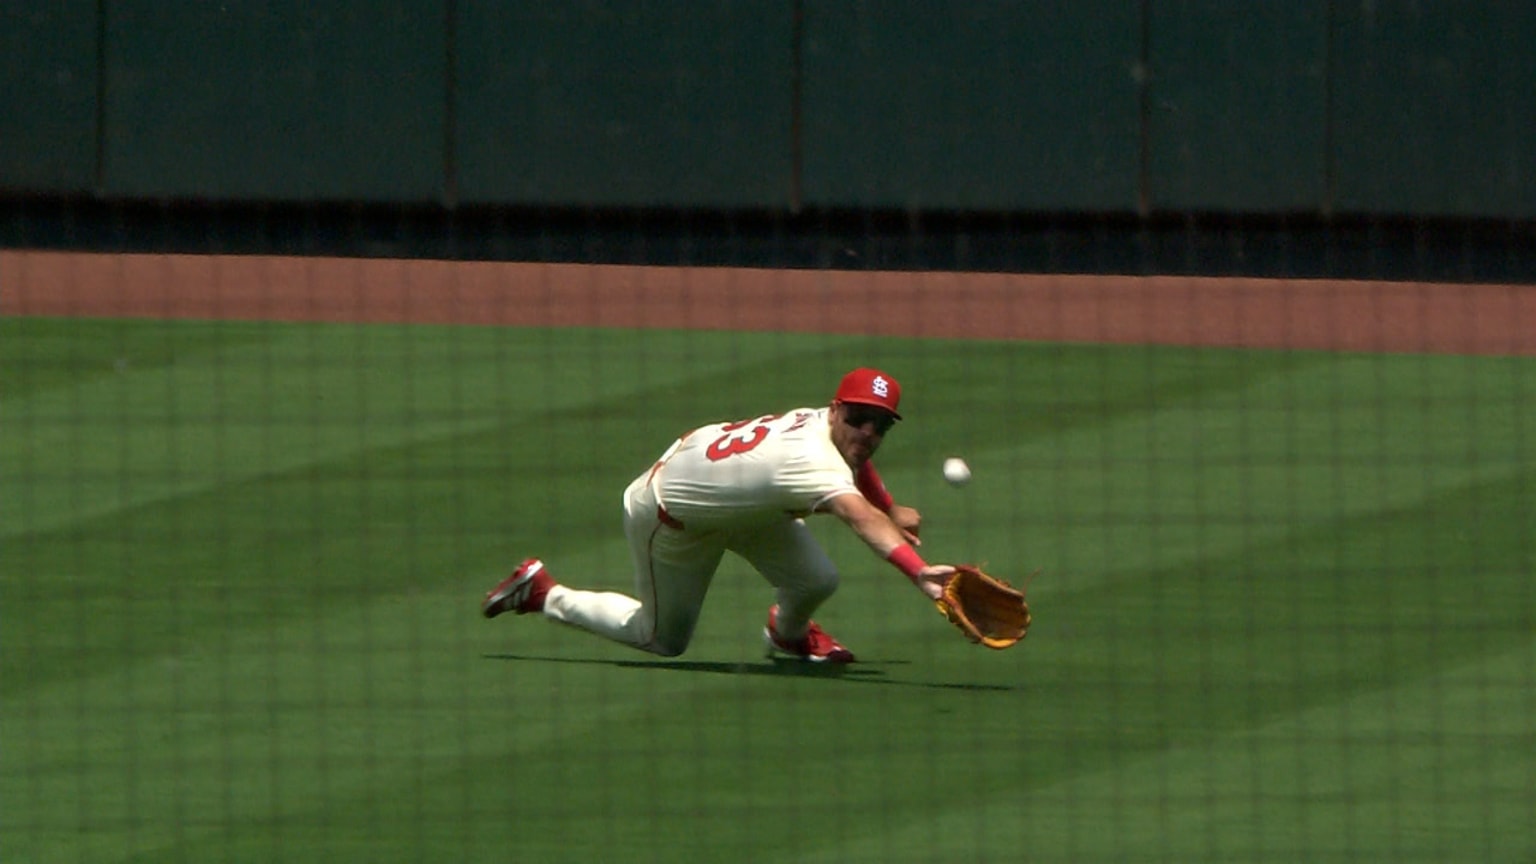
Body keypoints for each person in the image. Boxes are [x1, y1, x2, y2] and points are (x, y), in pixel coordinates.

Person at [480, 367, 957, 663]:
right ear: (836, 410)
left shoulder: (825, 424)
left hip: (734, 499)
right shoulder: (808, 460)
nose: (868, 431)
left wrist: (890, 506)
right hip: (670, 517)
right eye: (858, 418)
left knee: (817, 580)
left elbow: (856, 458)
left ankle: (787, 636)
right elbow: (857, 516)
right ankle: (543, 592)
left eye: (880, 424)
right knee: (661, 639)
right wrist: (917, 572)